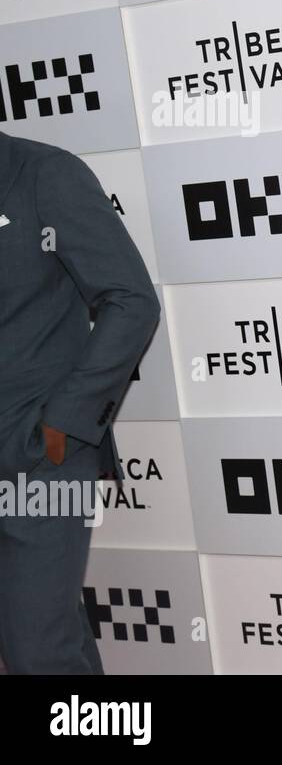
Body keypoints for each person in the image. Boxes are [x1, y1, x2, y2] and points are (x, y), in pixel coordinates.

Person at [0, 130, 160, 673]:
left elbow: (131, 300)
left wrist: (62, 428)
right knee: (48, 639)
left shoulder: (44, 174)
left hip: (37, 463)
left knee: (37, 650)